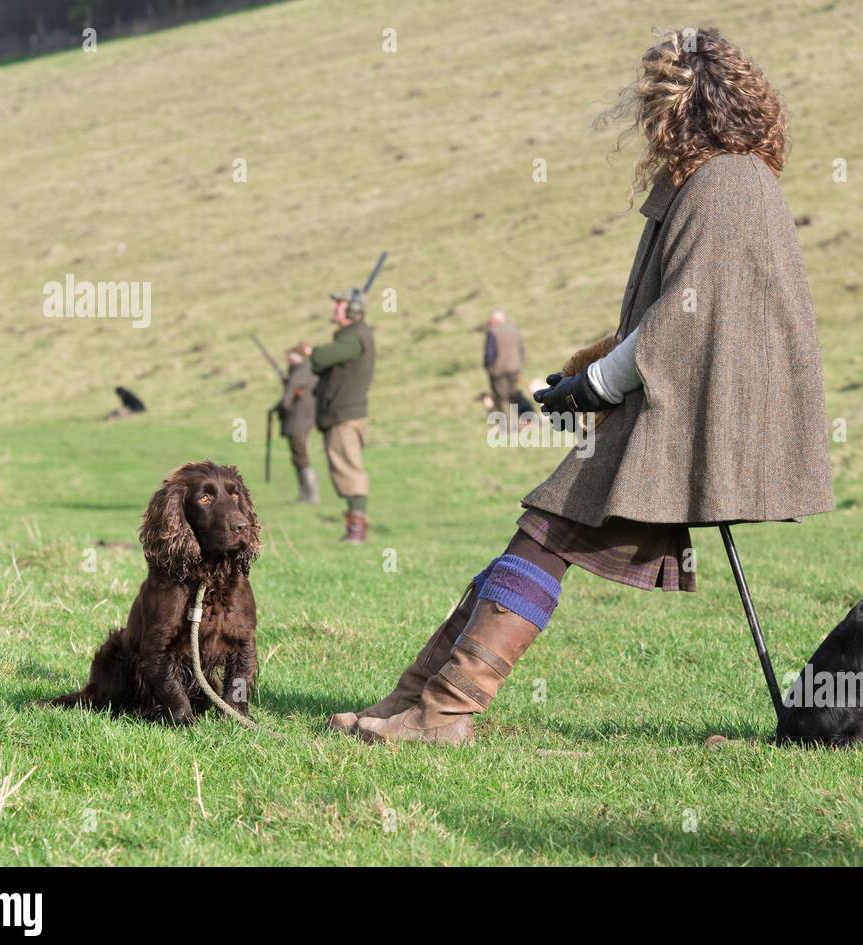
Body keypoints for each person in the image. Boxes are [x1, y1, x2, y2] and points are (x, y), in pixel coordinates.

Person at [331, 28, 834, 745]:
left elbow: (688, 323)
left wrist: (598, 382)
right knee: (542, 533)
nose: (647, 121)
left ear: (683, 106)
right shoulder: (731, 177)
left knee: (544, 533)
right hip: (689, 402)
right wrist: (590, 370)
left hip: (699, 411)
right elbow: (685, 312)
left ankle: (440, 713)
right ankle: (415, 705)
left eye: (654, 104)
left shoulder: (725, 183)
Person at [311, 289, 376, 543]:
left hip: (345, 414)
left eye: (339, 304)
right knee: (345, 467)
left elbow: (320, 357)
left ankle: (356, 529)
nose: (334, 308)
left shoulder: (353, 338)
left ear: (352, 310)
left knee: (349, 468)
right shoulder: (353, 336)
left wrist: (314, 354)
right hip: (344, 412)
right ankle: (354, 525)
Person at [279, 341, 320, 503]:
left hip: (297, 420)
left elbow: (286, 402)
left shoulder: (298, 374)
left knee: (300, 457)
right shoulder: (308, 371)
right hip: (306, 419)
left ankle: (310, 495)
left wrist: (282, 409)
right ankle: (306, 494)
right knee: (299, 456)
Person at [482, 309, 534, 420]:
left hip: (499, 370)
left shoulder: (492, 331)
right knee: (514, 394)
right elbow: (522, 350)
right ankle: (529, 417)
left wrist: (487, 366)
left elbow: (490, 352)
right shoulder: (514, 330)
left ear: (493, 320)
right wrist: (518, 365)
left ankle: (509, 426)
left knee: (502, 398)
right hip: (514, 369)